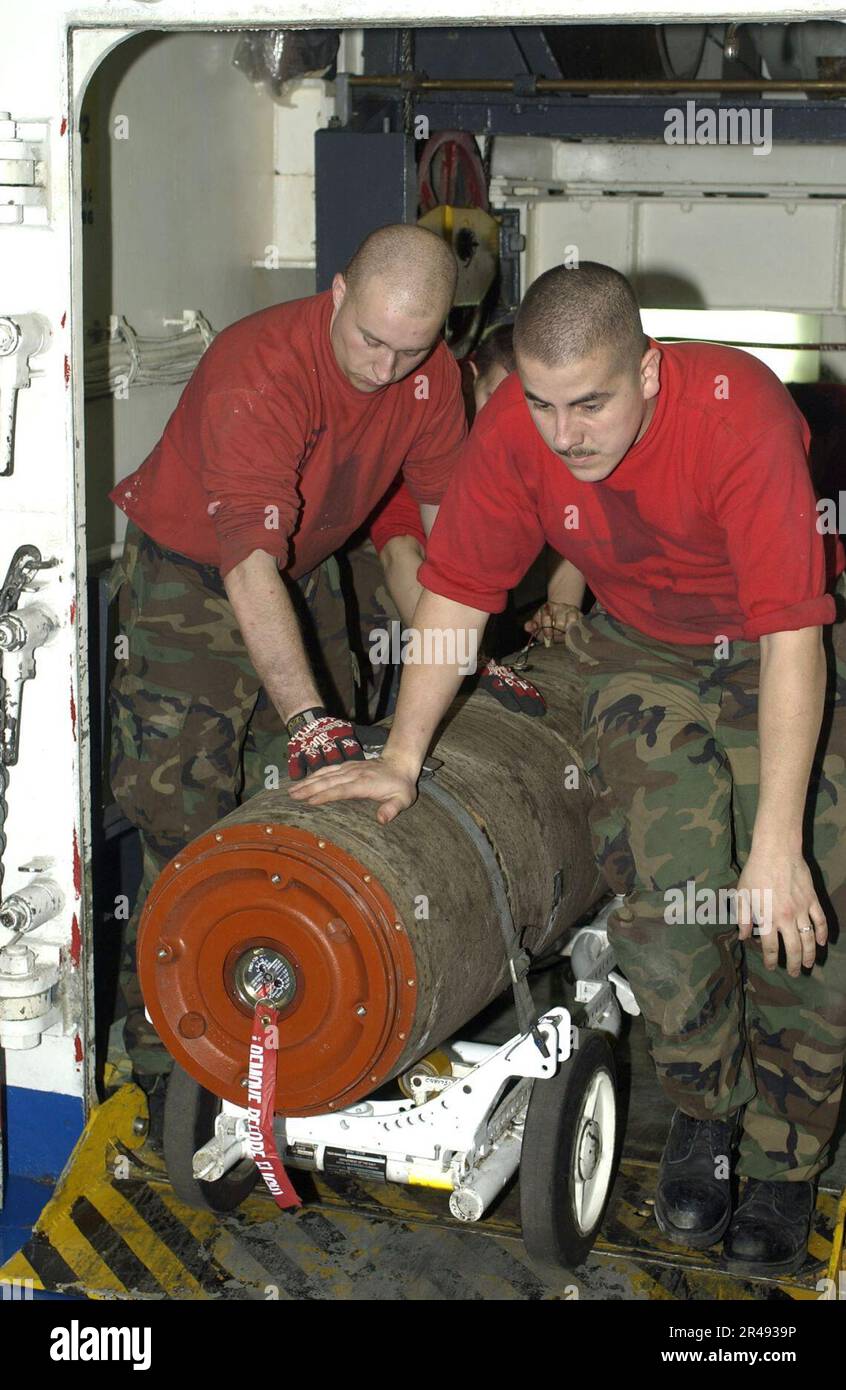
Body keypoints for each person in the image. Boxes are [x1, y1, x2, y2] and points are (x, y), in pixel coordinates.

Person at [290, 260, 846, 1278]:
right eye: (543, 404)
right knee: (667, 914)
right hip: (644, 652)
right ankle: (708, 1111)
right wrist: (401, 759)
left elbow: (793, 635)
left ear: (651, 373)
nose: (564, 432)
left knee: (804, 904)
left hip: (779, 648)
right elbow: (456, 596)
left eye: (591, 401)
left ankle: (788, 1155)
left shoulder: (741, 417)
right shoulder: (518, 434)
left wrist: (778, 847)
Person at [107, 222, 469, 1086]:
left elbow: (444, 540)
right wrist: (306, 716)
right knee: (182, 819)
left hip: (303, 574)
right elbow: (246, 560)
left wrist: (455, 658)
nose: (385, 370)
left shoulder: (435, 380)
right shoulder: (260, 366)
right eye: (371, 341)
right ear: (336, 294)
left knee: (319, 804)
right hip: (191, 580)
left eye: (410, 350)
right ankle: (169, 1060)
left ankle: (295, 1026)